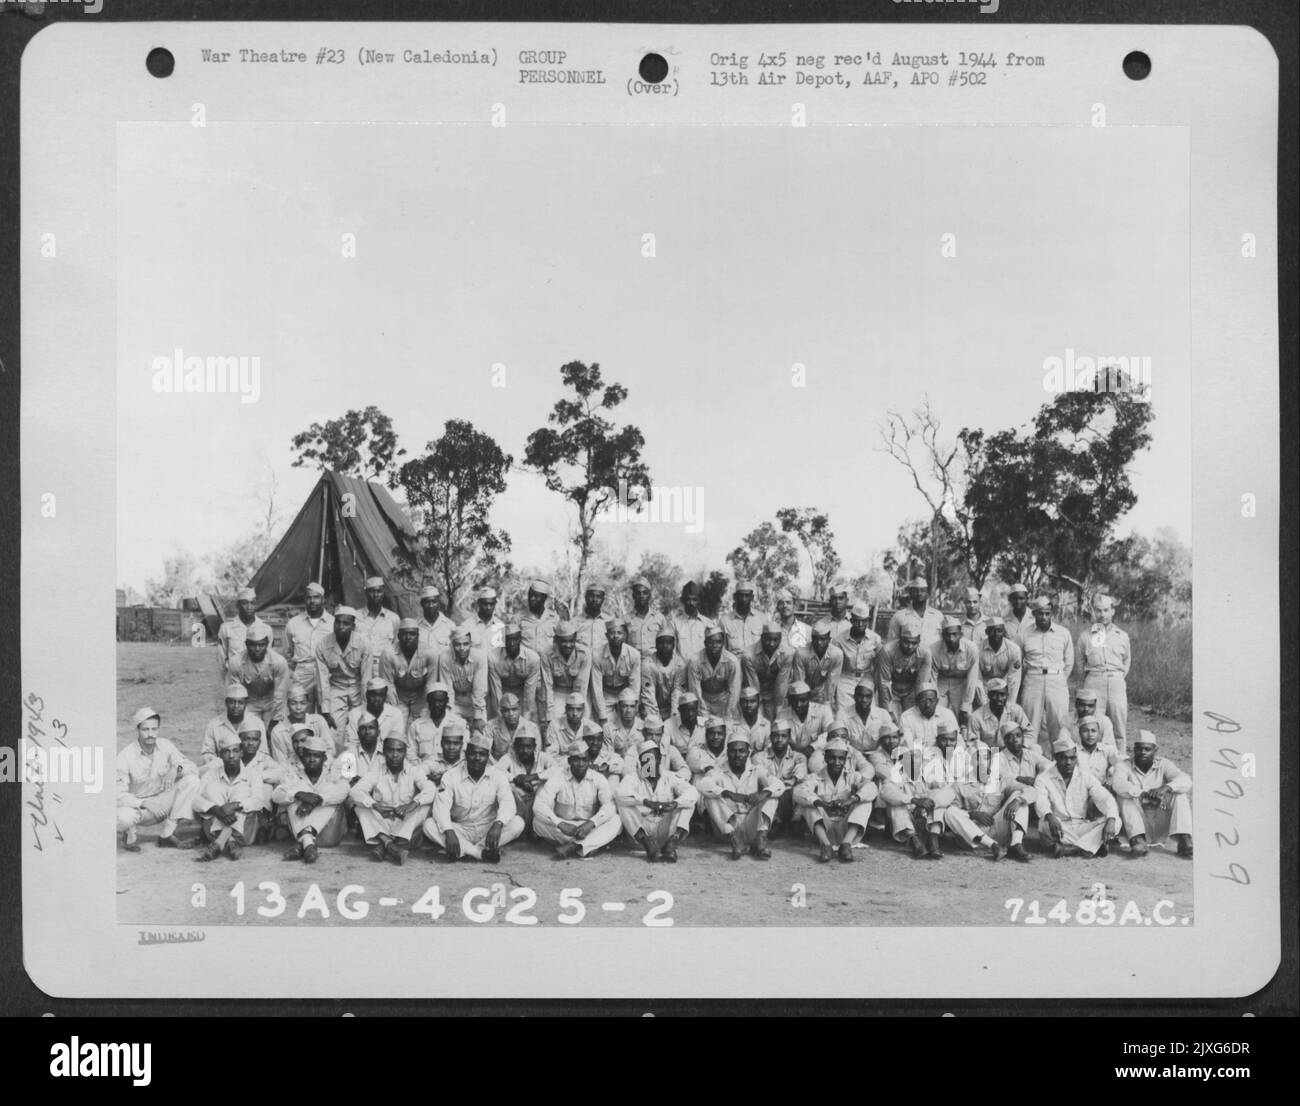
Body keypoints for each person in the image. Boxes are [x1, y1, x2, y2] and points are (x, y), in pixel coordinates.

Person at [425, 731, 525, 862]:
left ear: (487, 756)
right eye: (473, 753)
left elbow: (508, 804)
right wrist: (449, 831)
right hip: (461, 828)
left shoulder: (498, 776)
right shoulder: (450, 776)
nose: (477, 758)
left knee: (517, 823)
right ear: (466, 754)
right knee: (429, 825)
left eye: (482, 754)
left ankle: (464, 851)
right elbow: (441, 808)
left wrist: (498, 824)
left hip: (488, 828)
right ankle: (480, 853)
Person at [117, 707, 200, 851]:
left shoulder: (165, 745)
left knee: (192, 780)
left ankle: (167, 835)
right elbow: (117, 795)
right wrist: (144, 803)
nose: (150, 734)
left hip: (163, 801)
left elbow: (192, 767)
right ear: (137, 730)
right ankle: (129, 835)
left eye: (154, 729)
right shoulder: (125, 756)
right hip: (140, 808)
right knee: (122, 817)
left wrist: (175, 769)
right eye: (145, 729)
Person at [920, 723, 1002, 862]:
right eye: (944, 739)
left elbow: (968, 781)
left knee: (948, 801)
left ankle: (933, 837)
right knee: (942, 800)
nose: (948, 743)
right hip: (933, 796)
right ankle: (933, 837)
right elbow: (930, 782)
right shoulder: (928, 754)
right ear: (937, 738)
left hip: (955, 798)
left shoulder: (962, 755)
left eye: (952, 740)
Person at [350, 732, 435, 864]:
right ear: (384, 752)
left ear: (405, 752)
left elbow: (430, 789)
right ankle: (392, 846)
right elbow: (355, 791)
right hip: (383, 820)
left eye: (399, 751)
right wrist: (375, 805)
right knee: (361, 807)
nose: (395, 755)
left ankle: (383, 845)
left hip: (404, 821)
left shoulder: (414, 771)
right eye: (391, 750)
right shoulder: (376, 771)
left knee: (424, 807)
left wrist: (412, 804)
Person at [696, 733, 782, 860]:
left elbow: (778, 784)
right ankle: (735, 840)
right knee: (709, 796)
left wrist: (763, 794)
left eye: (741, 751)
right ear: (727, 752)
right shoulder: (718, 771)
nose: (737, 755)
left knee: (772, 794)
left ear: (748, 752)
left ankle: (761, 838)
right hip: (728, 827)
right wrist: (728, 794)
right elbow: (702, 785)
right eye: (733, 751)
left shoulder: (756, 769)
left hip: (751, 825)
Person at [794, 736, 878, 863]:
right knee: (807, 802)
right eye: (832, 758)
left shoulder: (852, 776)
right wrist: (820, 803)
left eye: (840, 758)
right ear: (825, 758)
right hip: (824, 829)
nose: (836, 762)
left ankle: (845, 846)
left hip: (846, 829)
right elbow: (798, 791)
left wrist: (852, 799)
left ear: (846, 760)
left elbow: (872, 788)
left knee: (865, 801)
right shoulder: (815, 777)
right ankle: (826, 846)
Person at [1035, 733, 1120, 858]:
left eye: (1072, 758)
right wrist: (1049, 815)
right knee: (1044, 824)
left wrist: (1111, 819)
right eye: (1063, 758)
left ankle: (1073, 849)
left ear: (1076, 757)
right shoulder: (1043, 778)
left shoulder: (1084, 775)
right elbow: (1040, 802)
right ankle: (1092, 845)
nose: (1068, 762)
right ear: (1055, 758)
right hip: (1059, 826)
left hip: (1083, 826)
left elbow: (1104, 797)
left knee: (1116, 820)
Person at [533, 741, 622, 859]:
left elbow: (610, 805)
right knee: (537, 821)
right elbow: (539, 805)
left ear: (589, 761)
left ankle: (573, 846)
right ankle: (588, 845)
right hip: (564, 828)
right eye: (576, 760)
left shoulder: (598, 778)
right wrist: (560, 824)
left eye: (584, 760)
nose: (580, 764)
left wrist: (592, 823)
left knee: (616, 821)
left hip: (589, 827)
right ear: (569, 761)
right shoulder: (558, 777)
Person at [1111, 731, 1193, 858]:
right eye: (1139, 749)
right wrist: (1142, 794)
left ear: (1155, 750)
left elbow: (1186, 780)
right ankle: (1137, 840)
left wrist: (1165, 788)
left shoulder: (1164, 764)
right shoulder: (1123, 765)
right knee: (1124, 796)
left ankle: (1184, 840)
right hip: (1133, 827)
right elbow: (1117, 784)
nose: (1143, 752)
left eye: (1147, 749)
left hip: (1159, 823)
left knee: (1179, 793)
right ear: (1134, 750)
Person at [616, 740, 698, 862]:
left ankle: (671, 844)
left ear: (660, 760)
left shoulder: (669, 777)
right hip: (642, 831)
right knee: (622, 803)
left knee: (688, 802)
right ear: (640, 761)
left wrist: (675, 804)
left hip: (665, 830)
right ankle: (649, 845)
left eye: (653, 759)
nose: (650, 764)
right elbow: (619, 794)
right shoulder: (632, 778)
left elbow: (692, 792)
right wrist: (646, 802)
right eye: (646, 760)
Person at [273, 730, 349, 861]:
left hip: (329, 835)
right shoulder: (294, 775)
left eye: (316, 756)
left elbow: (345, 790)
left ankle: (304, 841)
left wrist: (317, 800)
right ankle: (308, 843)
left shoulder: (332, 774)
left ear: (324, 758)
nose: (312, 759)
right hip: (303, 830)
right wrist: (299, 794)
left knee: (330, 800)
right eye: (308, 755)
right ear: (302, 757)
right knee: (292, 800)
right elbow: (276, 795)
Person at [865, 722, 934, 860]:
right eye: (887, 738)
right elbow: (887, 774)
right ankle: (914, 840)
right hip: (889, 799)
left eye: (894, 737)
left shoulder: (906, 753)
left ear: (899, 738)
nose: (891, 741)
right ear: (880, 740)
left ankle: (928, 839)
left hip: (911, 795)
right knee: (893, 796)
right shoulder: (876, 756)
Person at [195, 731, 266, 861]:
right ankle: (230, 842)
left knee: (242, 791)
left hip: (244, 831)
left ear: (242, 753)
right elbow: (195, 800)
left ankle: (218, 844)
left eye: (235, 751)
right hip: (216, 829)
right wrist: (216, 809)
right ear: (220, 755)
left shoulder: (253, 774)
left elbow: (259, 800)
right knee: (212, 788)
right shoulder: (210, 774)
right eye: (226, 752)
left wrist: (235, 806)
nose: (231, 756)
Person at [1020, 597, 1074, 754]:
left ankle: (1059, 764)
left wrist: (1059, 678)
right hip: (1033, 678)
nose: (1043, 617)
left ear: (1052, 614)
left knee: (1059, 724)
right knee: (1029, 724)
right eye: (1039, 614)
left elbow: (1069, 662)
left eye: (1047, 613)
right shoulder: (1024, 634)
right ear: (1034, 614)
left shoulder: (1063, 633)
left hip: (1056, 680)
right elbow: (1018, 661)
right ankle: (1029, 764)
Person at [1077, 595, 1131, 747]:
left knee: (1119, 724)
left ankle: (1120, 762)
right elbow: (1080, 663)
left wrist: (1117, 677)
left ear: (1113, 611)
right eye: (1099, 610)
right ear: (1094, 611)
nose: (1102, 614)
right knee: (1092, 724)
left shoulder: (1123, 636)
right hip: (1094, 681)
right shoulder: (1085, 637)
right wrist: (1093, 678)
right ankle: (1093, 761)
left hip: (1116, 682)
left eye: (1106, 610)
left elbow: (1127, 661)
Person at [314, 606, 374, 732]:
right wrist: (325, 711)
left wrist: (366, 707)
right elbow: (322, 681)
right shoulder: (323, 645)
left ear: (353, 626)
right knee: (333, 730)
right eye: (338, 622)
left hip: (357, 689)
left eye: (345, 623)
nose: (341, 626)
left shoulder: (364, 643)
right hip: (336, 689)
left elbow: (366, 680)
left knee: (359, 728)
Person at [225, 621, 289, 734]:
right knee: (247, 733)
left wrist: (275, 721)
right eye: (253, 645)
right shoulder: (236, 662)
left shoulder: (278, 662)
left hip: (271, 702)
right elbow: (236, 693)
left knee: (277, 733)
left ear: (267, 643)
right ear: (246, 644)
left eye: (261, 645)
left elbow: (280, 694)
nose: (257, 649)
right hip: (250, 702)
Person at [539, 621, 592, 747]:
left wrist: (575, 707)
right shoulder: (546, 654)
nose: (567, 645)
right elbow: (547, 687)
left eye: (571, 641)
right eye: (563, 641)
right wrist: (549, 718)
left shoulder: (584, 654)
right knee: (555, 725)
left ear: (575, 639)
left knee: (583, 723)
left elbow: (581, 686)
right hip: (557, 692)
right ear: (556, 640)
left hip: (578, 693)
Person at [380, 618, 440, 728]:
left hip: (421, 697)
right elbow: (388, 684)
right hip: (398, 696)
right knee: (394, 726)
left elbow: (431, 684)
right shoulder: (388, 653)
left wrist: (427, 708)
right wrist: (393, 709)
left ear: (418, 636)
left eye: (412, 634)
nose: (408, 638)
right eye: (404, 634)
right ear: (398, 636)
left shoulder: (430, 653)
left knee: (422, 727)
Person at [495, 728, 558, 831]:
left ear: (534, 747)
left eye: (528, 747)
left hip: (539, 800)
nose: (525, 750)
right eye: (521, 746)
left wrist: (534, 776)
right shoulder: (509, 757)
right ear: (515, 747)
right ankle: (524, 828)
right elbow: (497, 770)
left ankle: (535, 827)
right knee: (507, 787)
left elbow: (557, 770)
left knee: (547, 787)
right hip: (518, 801)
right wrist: (516, 779)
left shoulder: (543, 757)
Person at [752, 718, 807, 834]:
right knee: (766, 789)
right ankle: (775, 821)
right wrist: (777, 787)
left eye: (783, 736)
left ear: (789, 737)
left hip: (790, 800)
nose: (779, 739)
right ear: (771, 737)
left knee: (801, 787)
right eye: (776, 736)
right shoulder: (759, 757)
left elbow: (800, 772)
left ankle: (795, 820)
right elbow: (762, 779)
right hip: (770, 798)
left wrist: (793, 780)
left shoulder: (798, 756)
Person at [282, 582, 331, 712]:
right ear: (305, 600)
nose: (312, 601)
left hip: (326, 673)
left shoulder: (333, 623)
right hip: (301, 674)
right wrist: (294, 675)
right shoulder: (293, 624)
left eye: (316, 597)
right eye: (309, 597)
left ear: (323, 599)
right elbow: (287, 654)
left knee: (326, 713)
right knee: (300, 714)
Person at [931, 615, 980, 729]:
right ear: (942, 635)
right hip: (941, 683)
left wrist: (965, 706)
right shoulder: (933, 649)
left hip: (961, 683)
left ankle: (965, 742)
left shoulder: (971, 648)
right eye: (947, 635)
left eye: (954, 634)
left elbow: (972, 679)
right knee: (936, 715)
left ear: (961, 634)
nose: (951, 638)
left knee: (965, 717)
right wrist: (934, 700)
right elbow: (932, 679)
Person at [486, 622, 542, 722]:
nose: (512, 644)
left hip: (522, 693)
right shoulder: (493, 657)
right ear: (503, 640)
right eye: (508, 640)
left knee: (527, 727)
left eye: (515, 639)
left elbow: (529, 694)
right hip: (502, 692)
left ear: (520, 639)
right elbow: (496, 691)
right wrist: (501, 718)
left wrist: (525, 721)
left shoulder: (533, 658)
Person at [686, 626, 743, 721]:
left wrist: (728, 714)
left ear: (723, 644)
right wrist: (703, 715)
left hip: (724, 701)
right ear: (705, 643)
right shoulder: (695, 661)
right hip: (703, 701)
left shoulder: (732, 661)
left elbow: (734, 690)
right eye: (710, 642)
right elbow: (695, 691)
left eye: (718, 642)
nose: (714, 645)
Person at [590, 617, 641, 722]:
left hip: (624, 692)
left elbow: (634, 685)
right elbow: (597, 689)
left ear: (625, 636)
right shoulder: (597, 655)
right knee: (605, 727)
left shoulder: (634, 655)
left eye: (619, 633)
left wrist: (632, 709)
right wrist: (602, 715)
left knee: (627, 724)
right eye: (612, 633)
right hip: (606, 694)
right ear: (606, 636)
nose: (616, 636)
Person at [834, 602, 883, 710]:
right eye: (857, 620)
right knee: (844, 714)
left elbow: (879, 666)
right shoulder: (839, 639)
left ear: (868, 621)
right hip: (846, 679)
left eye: (863, 621)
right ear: (851, 620)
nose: (860, 624)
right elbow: (834, 666)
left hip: (866, 678)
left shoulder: (875, 639)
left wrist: (874, 684)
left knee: (868, 713)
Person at [200, 685, 266, 766]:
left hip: (252, 769)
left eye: (240, 702)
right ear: (226, 702)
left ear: (246, 703)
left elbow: (263, 753)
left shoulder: (257, 723)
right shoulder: (214, 725)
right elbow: (207, 754)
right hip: (222, 769)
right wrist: (225, 764)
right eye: (232, 702)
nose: (236, 706)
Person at [437, 627, 488, 730]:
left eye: (465, 644)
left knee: (480, 737)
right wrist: (447, 713)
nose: (462, 648)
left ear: (471, 644)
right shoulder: (445, 657)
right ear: (452, 644)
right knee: (451, 733)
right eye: (458, 644)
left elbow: (479, 689)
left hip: (475, 704)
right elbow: (447, 689)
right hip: (455, 703)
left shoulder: (480, 657)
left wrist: (477, 716)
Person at [741, 622, 794, 721]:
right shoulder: (748, 655)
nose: (771, 644)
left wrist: (778, 712)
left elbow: (781, 684)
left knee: (779, 721)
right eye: (767, 639)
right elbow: (753, 687)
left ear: (781, 638)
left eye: (775, 640)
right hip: (756, 693)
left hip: (777, 694)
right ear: (762, 637)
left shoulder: (787, 653)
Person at [875, 628, 932, 721]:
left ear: (919, 642)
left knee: (912, 721)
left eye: (914, 643)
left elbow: (922, 683)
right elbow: (884, 682)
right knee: (889, 722)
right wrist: (888, 710)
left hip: (911, 691)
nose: (910, 646)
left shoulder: (925, 652)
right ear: (900, 639)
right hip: (891, 691)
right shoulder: (887, 650)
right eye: (906, 642)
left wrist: (918, 705)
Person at [792, 620, 845, 713]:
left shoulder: (836, 654)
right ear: (811, 638)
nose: (819, 643)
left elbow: (831, 683)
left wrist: (827, 705)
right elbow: (800, 683)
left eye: (823, 639)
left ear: (829, 639)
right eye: (816, 639)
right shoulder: (801, 653)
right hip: (805, 691)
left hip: (823, 692)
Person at [271, 686, 331, 765]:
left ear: (308, 704)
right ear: (287, 704)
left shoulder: (318, 721)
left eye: (303, 703)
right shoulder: (278, 731)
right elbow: (280, 762)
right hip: (291, 772)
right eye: (293, 703)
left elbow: (329, 749)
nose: (298, 707)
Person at [408, 683, 466, 762]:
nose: (436, 705)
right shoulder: (416, 725)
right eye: (433, 701)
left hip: (452, 771)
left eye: (440, 701)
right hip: (423, 771)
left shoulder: (459, 723)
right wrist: (422, 770)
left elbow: (463, 754)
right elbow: (411, 755)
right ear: (428, 701)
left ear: (447, 701)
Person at [966, 678, 1030, 750]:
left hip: (1012, 752)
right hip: (988, 754)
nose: (999, 698)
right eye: (995, 695)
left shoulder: (1016, 710)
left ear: (1007, 695)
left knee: (1035, 748)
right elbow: (973, 742)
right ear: (989, 695)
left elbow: (1029, 732)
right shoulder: (976, 717)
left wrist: (1021, 747)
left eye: (1002, 695)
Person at [624, 716, 691, 783]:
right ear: (644, 733)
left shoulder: (669, 749)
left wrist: (667, 777)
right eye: (650, 734)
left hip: (664, 788)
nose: (654, 738)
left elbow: (686, 771)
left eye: (657, 735)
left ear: (662, 734)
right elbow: (627, 773)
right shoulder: (633, 750)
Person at [886, 576, 944, 654]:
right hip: (910, 662)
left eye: (922, 590)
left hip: (935, 662)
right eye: (915, 591)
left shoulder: (938, 615)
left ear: (927, 593)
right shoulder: (899, 616)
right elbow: (891, 645)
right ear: (910, 593)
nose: (919, 593)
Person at [641, 628, 686, 724]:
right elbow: (648, 695)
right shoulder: (648, 664)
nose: (665, 646)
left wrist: (674, 719)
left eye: (668, 642)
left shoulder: (680, 664)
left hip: (672, 709)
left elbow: (677, 693)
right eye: (661, 642)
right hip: (651, 708)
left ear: (674, 645)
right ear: (656, 645)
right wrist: (656, 721)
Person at [345, 677, 405, 749]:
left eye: (380, 695)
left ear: (385, 695)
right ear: (367, 695)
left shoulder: (396, 714)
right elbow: (351, 744)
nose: (377, 699)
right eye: (373, 695)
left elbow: (397, 742)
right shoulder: (354, 714)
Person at [780, 680, 834, 757]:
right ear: (789, 700)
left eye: (802, 700)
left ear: (809, 698)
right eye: (794, 701)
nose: (798, 705)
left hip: (816, 754)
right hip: (791, 755)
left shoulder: (824, 710)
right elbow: (778, 737)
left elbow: (831, 733)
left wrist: (813, 747)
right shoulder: (782, 714)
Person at [215, 587, 259, 683]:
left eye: (252, 603)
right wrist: (226, 682)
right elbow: (221, 660)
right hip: (235, 682)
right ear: (238, 605)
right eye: (245, 603)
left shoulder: (265, 629)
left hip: (257, 684)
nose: (249, 607)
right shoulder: (226, 628)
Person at [977, 617, 1023, 706]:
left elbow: (1014, 679)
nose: (996, 634)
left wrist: (1009, 704)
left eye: (999, 630)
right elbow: (977, 679)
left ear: (1004, 632)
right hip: (985, 687)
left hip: (1004, 687)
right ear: (986, 632)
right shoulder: (978, 649)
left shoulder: (1014, 649)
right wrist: (985, 705)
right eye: (992, 630)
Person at [484, 692, 542, 761]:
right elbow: (485, 751)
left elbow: (536, 754)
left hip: (523, 767)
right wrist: (497, 767)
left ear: (520, 709)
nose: (511, 714)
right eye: (506, 710)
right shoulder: (490, 726)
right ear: (501, 711)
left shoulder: (532, 728)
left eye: (514, 709)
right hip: (498, 765)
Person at [900, 682, 959, 749]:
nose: (927, 705)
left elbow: (958, 741)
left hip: (941, 755)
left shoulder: (947, 714)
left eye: (931, 700)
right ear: (917, 702)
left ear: (937, 701)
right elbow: (907, 744)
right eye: (923, 701)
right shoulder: (907, 716)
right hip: (916, 755)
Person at [841, 680, 893, 754]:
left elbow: (890, 740)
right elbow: (840, 741)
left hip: (877, 755)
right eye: (860, 696)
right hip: (852, 755)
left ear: (872, 698)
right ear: (854, 697)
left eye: (868, 696)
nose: (864, 700)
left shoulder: (883, 714)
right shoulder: (843, 714)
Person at [671, 580, 718, 661]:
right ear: (683, 600)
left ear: (699, 601)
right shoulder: (674, 624)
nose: (691, 603)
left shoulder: (708, 623)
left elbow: (713, 650)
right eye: (688, 599)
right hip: (682, 670)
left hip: (702, 670)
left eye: (694, 599)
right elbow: (672, 652)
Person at [416, 716, 468, 786]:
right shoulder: (433, 761)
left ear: (461, 745)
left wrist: (444, 777)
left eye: (456, 744)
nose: (451, 747)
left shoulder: (467, 763)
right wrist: (428, 781)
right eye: (447, 743)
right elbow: (416, 776)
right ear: (441, 744)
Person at [718, 580, 765, 657]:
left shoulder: (762, 618)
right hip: (735, 665)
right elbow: (722, 650)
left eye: (747, 595)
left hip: (757, 665)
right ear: (735, 597)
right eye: (741, 595)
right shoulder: (725, 621)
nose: (744, 599)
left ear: (752, 597)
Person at [356, 576, 401, 654]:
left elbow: (396, 647)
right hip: (362, 663)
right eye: (372, 591)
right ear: (366, 593)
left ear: (383, 593)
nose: (376, 595)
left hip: (385, 664)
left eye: (379, 591)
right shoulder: (356, 616)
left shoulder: (393, 618)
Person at [518, 579, 559, 663]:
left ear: (544, 598)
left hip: (547, 667)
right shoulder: (518, 618)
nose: (532, 598)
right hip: (526, 668)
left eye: (536, 596)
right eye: (530, 595)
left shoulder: (554, 618)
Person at [626, 577, 667, 658]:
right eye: (638, 593)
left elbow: (667, 642)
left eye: (645, 593)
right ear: (633, 596)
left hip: (654, 664)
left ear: (649, 596)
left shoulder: (659, 618)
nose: (641, 596)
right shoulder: (625, 619)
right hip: (633, 664)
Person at [1071, 688, 1120, 754]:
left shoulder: (1104, 721)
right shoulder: (1067, 720)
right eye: (1082, 705)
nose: (1086, 709)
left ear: (1095, 706)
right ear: (1076, 704)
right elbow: (1063, 744)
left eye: (1090, 706)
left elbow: (1110, 747)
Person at [416, 585, 457, 657]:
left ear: (439, 603)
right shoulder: (414, 625)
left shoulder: (450, 626)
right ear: (421, 604)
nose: (431, 605)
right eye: (427, 602)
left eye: (434, 601)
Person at [462, 585, 504, 653]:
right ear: (479, 603)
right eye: (485, 604)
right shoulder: (467, 626)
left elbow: (501, 654)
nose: (488, 607)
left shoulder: (500, 626)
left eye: (491, 604)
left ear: (495, 604)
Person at [603, 688, 645, 755]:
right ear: (619, 707)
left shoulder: (644, 727)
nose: (628, 710)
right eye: (624, 706)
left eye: (632, 706)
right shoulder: (608, 728)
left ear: (636, 708)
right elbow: (606, 756)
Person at [573, 584, 610, 657]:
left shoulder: (610, 622)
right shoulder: (574, 622)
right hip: (581, 666)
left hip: (602, 667)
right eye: (591, 596)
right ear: (585, 597)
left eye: (598, 596)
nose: (594, 599)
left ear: (603, 599)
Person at [731, 686, 772, 751]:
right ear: (740, 704)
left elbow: (768, 750)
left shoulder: (766, 724)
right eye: (745, 701)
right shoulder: (733, 725)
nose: (749, 705)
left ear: (758, 703)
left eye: (752, 701)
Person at [665, 691, 704, 755]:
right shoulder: (668, 725)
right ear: (679, 710)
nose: (690, 714)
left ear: (698, 709)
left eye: (693, 710)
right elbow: (664, 751)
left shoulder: (706, 724)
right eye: (686, 710)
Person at [1003, 583, 1034, 651]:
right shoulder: (1004, 620)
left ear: (1027, 599)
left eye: (1021, 598)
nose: (1018, 601)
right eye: (1014, 599)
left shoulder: (1035, 617)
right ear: (1010, 600)